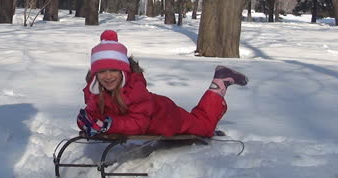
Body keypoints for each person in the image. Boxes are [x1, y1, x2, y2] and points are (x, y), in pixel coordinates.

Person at [77, 30, 248, 138]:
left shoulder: (134, 91)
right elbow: (97, 117)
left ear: (123, 71)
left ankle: (221, 81)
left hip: (165, 116)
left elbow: (139, 124)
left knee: (203, 125)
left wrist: (109, 124)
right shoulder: (95, 92)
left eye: (113, 70)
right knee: (199, 123)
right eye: (102, 71)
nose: (107, 76)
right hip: (158, 114)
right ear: (95, 74)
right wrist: (85, 121)